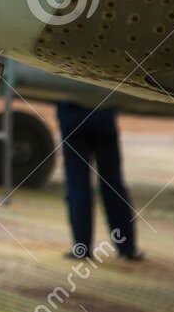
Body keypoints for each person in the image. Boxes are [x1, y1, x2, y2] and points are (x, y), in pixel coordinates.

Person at [55, 102, 142, 261]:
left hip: (71, 116)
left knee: (77, 185)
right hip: (103, 116)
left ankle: (81, 249)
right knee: (113, 184)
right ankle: (127, 248)